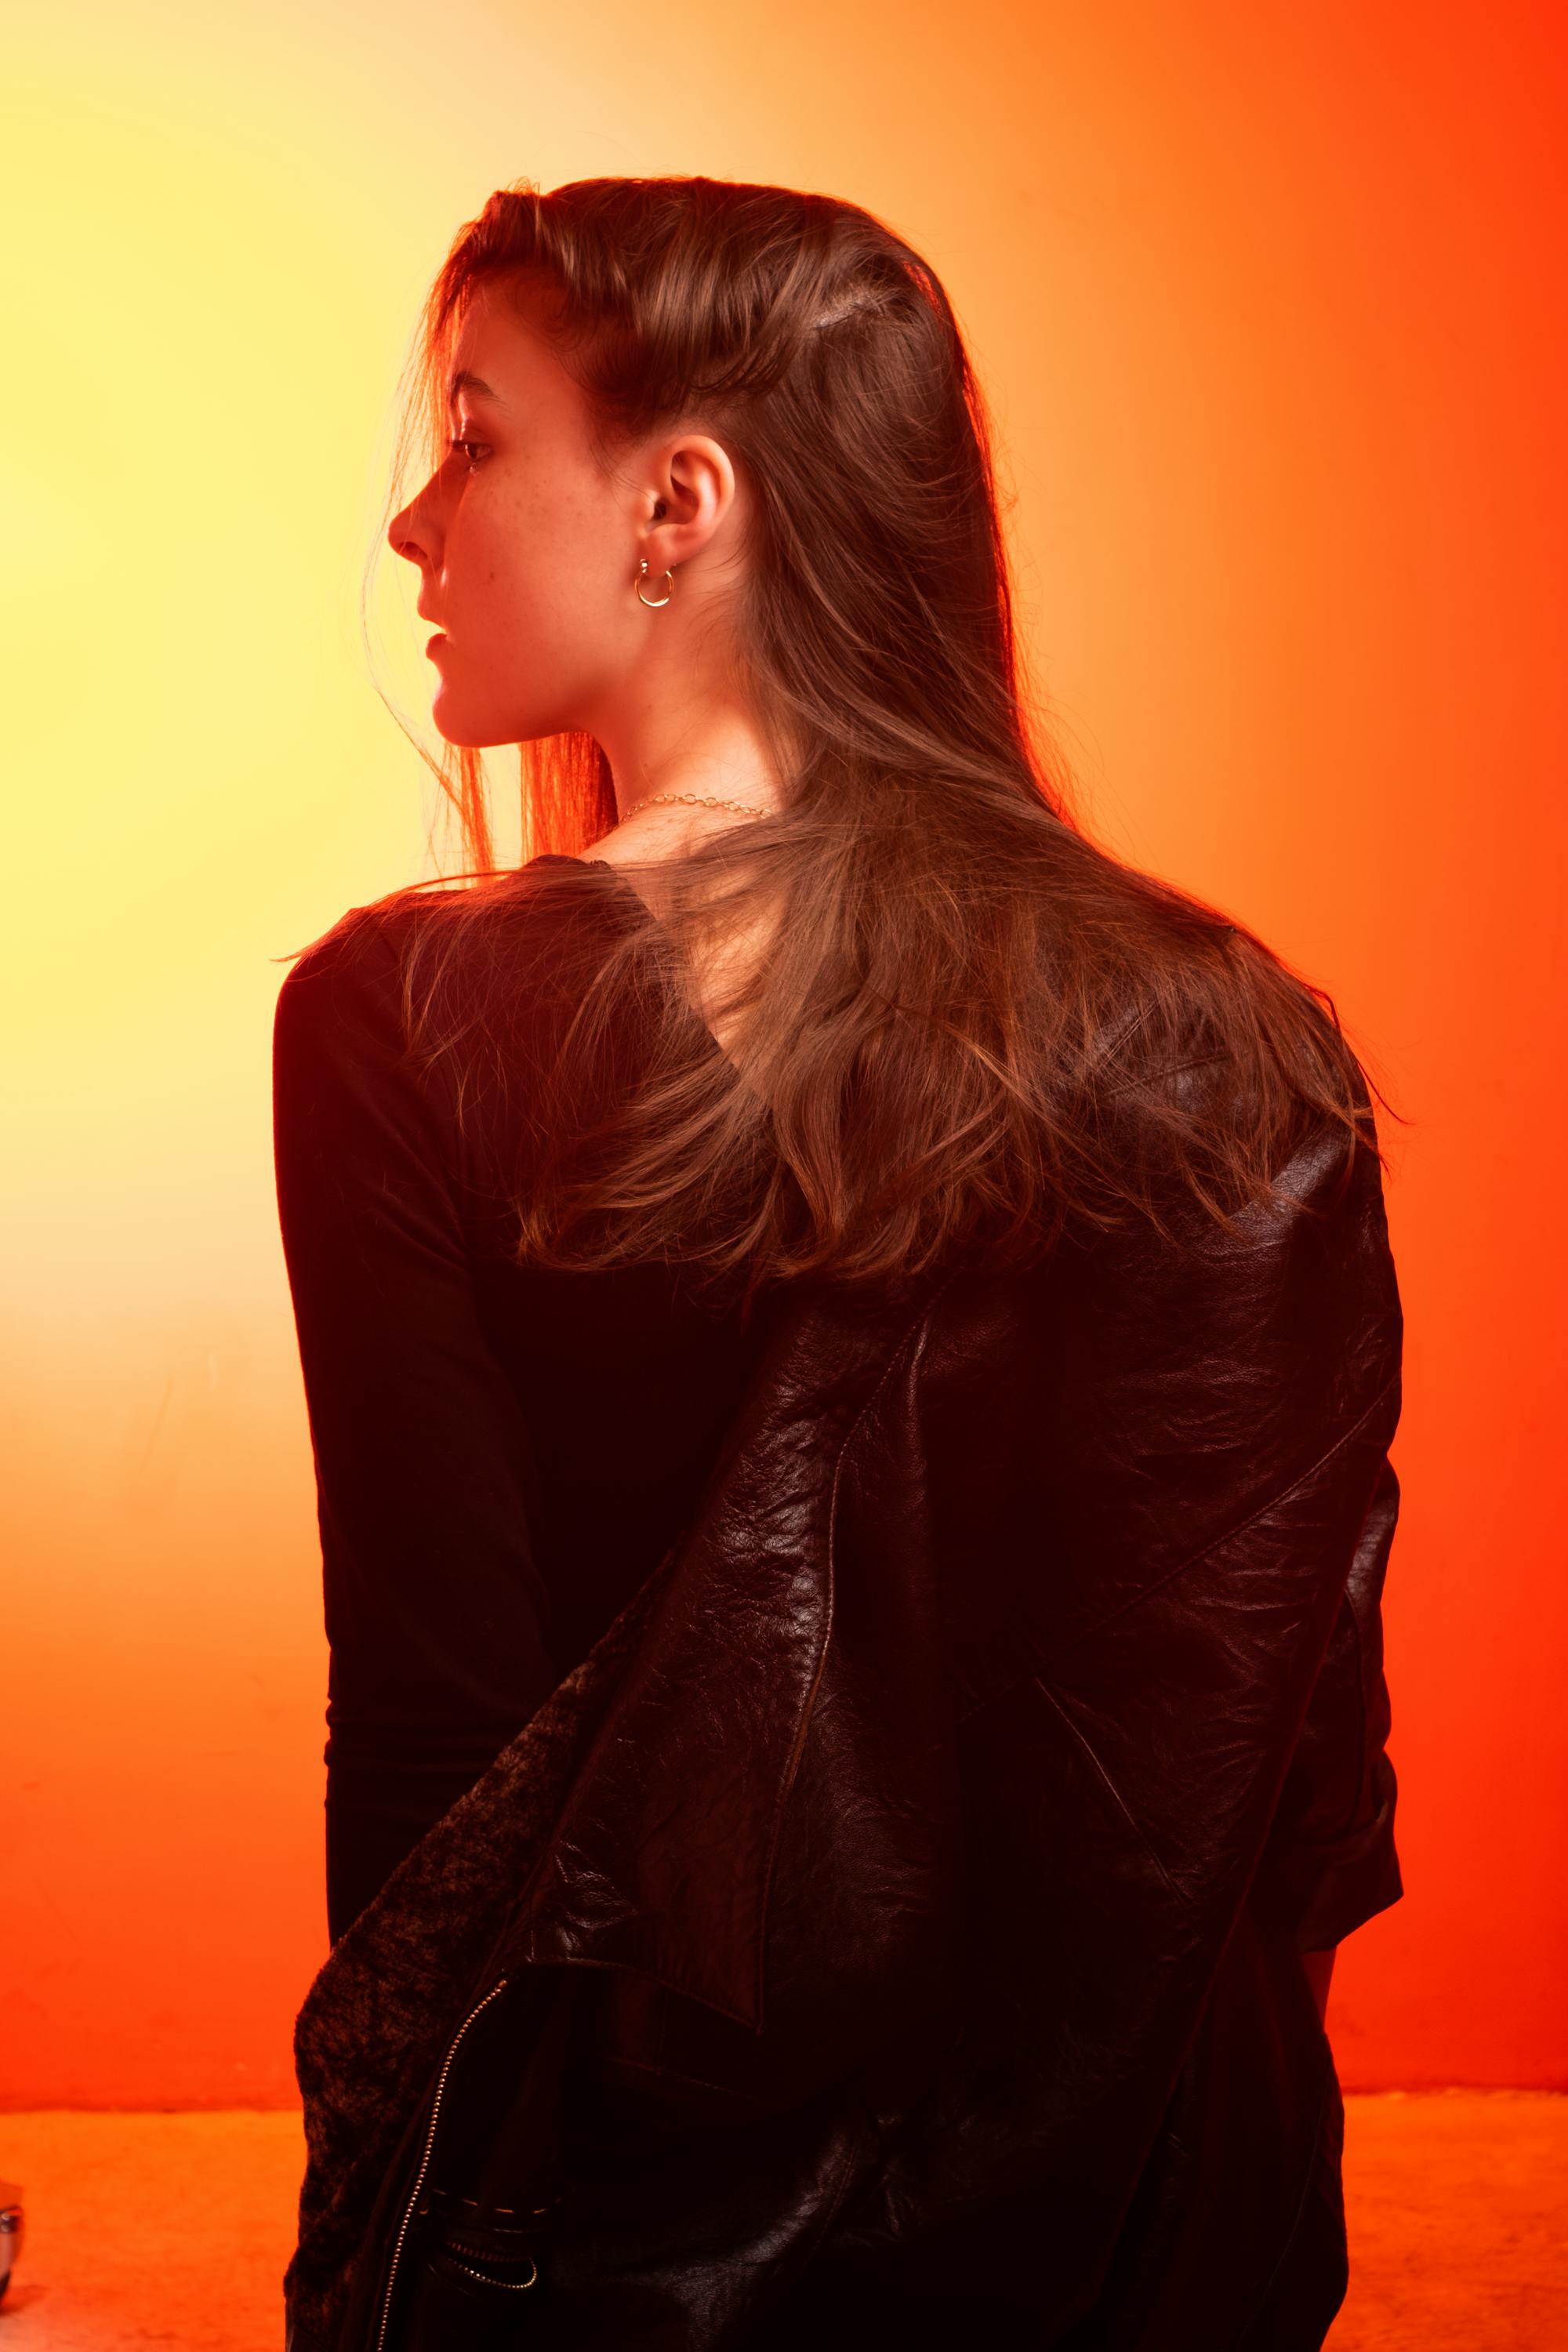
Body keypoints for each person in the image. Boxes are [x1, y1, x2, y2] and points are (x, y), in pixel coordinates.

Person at [273, 175, 1404, 2352]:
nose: (419, 527)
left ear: (679, 503)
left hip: (637, 2262)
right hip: (1167, 2243)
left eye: (482, 436)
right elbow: (1293, 1785)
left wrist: (394, 2253)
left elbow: (435, 1769)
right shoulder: (1233, 1029)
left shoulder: (407, 1023)